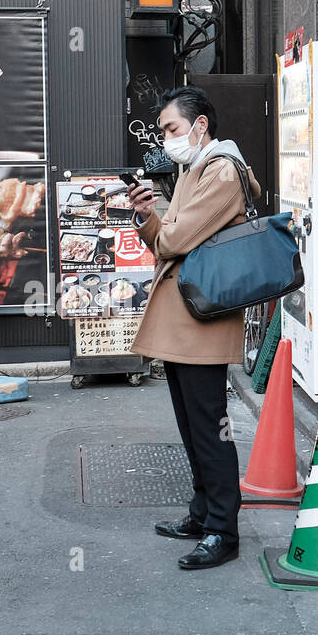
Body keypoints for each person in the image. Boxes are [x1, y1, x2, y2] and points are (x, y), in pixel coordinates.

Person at [128, 86, 262, 570]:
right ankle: (203, 512)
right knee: (192, 427)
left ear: (200, 125)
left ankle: (223, 530)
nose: (167, 139)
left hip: (201, 316)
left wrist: (158, 225)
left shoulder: (222, 170)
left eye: (172, 129)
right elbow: (168, 237)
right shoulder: (195, 168)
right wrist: (149, 215)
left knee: (210, 430)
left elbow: (176, 239)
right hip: (185, 315)